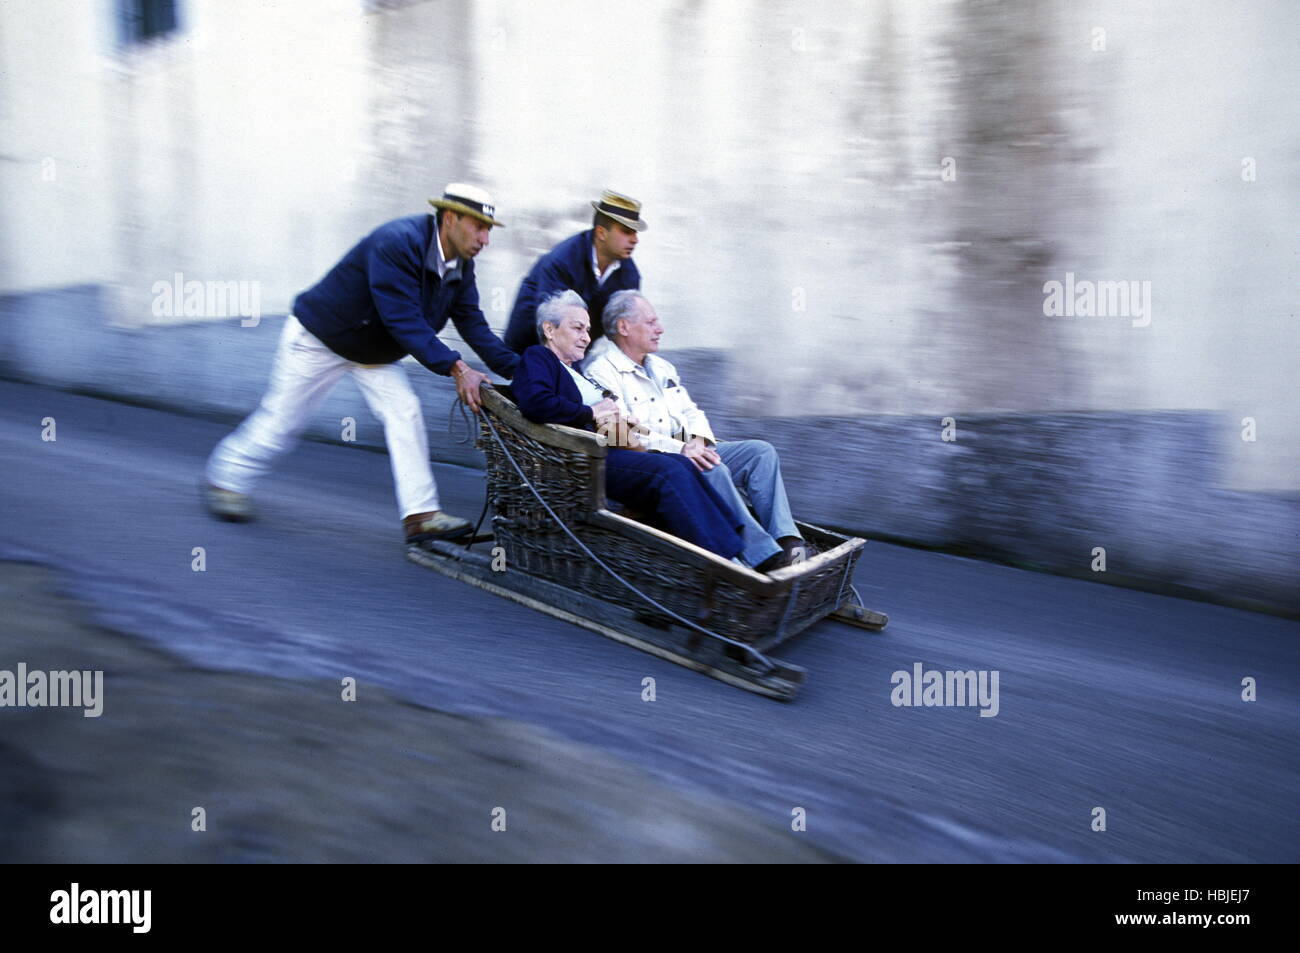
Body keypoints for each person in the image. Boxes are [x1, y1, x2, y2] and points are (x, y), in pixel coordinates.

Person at [204, 183, 520, 545]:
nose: (485, 238)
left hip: (374, 352)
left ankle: (421, 515)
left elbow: (473, 324)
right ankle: (226, 478)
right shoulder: (398, 242)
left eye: (489, 230)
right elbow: (403, 319)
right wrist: (457, 368)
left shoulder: (460, 265)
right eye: (479, 227)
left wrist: (524, 372)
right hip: (321, 339)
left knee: (405, 411)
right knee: (283, 422)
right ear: (450, 218)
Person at [511, 291, 746, 562]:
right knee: (669, 471)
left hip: (612, 449)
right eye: (577, 328)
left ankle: (734, 547)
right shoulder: (539, 357)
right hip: (583, 460)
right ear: (549, 329)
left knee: (680, 463)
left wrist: (619, 419)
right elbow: (536, 403)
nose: (586, 337)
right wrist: (591, 411)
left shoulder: (575, 372)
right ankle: (721, 561)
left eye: (587, 329)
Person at [585, 290, 806, 572]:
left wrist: (699, 443)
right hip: (655, 462)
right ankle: (762, 556)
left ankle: (788, 542)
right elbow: (623, 434)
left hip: (686, 449)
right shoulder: (602, 372)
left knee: (760, 453)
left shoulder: (662, 366)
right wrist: (682, 450)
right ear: (624, 327)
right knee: (711, 469)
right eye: (651, 322)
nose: (660, 328)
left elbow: (691, 412)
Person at [502, 190, 646, 355]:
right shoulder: (561, 262)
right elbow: (552, 331)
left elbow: (623, 330)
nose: (635, 239)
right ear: (601, 233)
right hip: (530, 346)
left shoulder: (630, 275)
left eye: (635, 233)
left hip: (577, 350)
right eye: (626, 231)